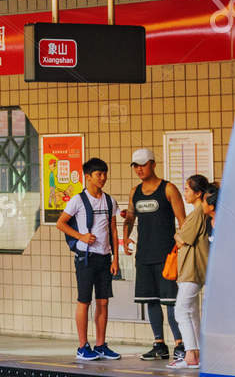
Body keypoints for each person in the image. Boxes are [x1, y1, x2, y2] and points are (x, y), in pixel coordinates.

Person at [119, 148, 186, 362]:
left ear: (153, 164)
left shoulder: (168, 189)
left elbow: (183, 222)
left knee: (171, 301)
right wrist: (126, 236)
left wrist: (182, 248)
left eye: (143, 164)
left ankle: (180, 343)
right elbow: (130, 217)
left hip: (167, 255)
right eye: (135, 166)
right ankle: (159, 344)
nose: (139, 169)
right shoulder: (134, 192)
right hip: (144, 255)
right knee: (151, 301)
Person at [55, 158, 122, 362]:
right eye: (98, 174)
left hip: (104, 258)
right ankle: (83, 346)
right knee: (84, 301)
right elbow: (61, 223)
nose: (103, 178)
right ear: (88, 177)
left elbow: (113, 229)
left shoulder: (110, 201)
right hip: (85, 258)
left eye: (105, 174)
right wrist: (81, 236)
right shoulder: (78, 200)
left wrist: (115, 258)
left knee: (103, 302)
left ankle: (101, 345)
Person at [175, 179, 214, 369]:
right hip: (194, 269)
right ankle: (198, 353)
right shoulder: (200, 213)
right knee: (192, 312)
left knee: (181, 310)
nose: (185, 193)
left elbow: (183, 239)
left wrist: (176, 234)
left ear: (198, 193)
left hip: (191, 269)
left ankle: (190, 354)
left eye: (188, 189)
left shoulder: (198, 212)